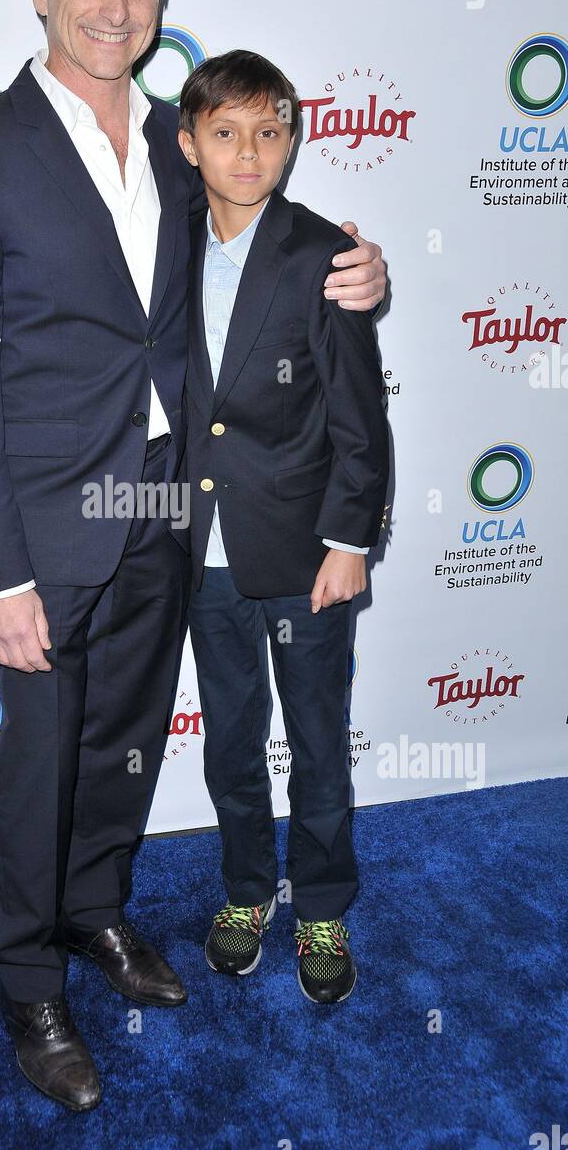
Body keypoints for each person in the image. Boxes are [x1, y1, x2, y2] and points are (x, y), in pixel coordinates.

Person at [0, 0, 387, 1112]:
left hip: (173, 511)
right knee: (39, 761)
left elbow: (260, 235)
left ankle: (94, 918)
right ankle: (28, 980)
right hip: (45, 528)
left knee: (123, 746)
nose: (116, 4)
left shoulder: (184, 153)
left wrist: (354, 267)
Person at [177, 49, 390, 1003]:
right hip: (198, 553)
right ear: (189, 145)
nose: (248, 152)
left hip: (305, 554)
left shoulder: (322, 257)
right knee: (230, 735)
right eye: (225, 133)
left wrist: (349, 543)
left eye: (269, 132)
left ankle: (322, 905)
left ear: (292, 141)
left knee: (315, 736)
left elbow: (358, 417)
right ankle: (243, 891)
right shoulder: (160, 246)